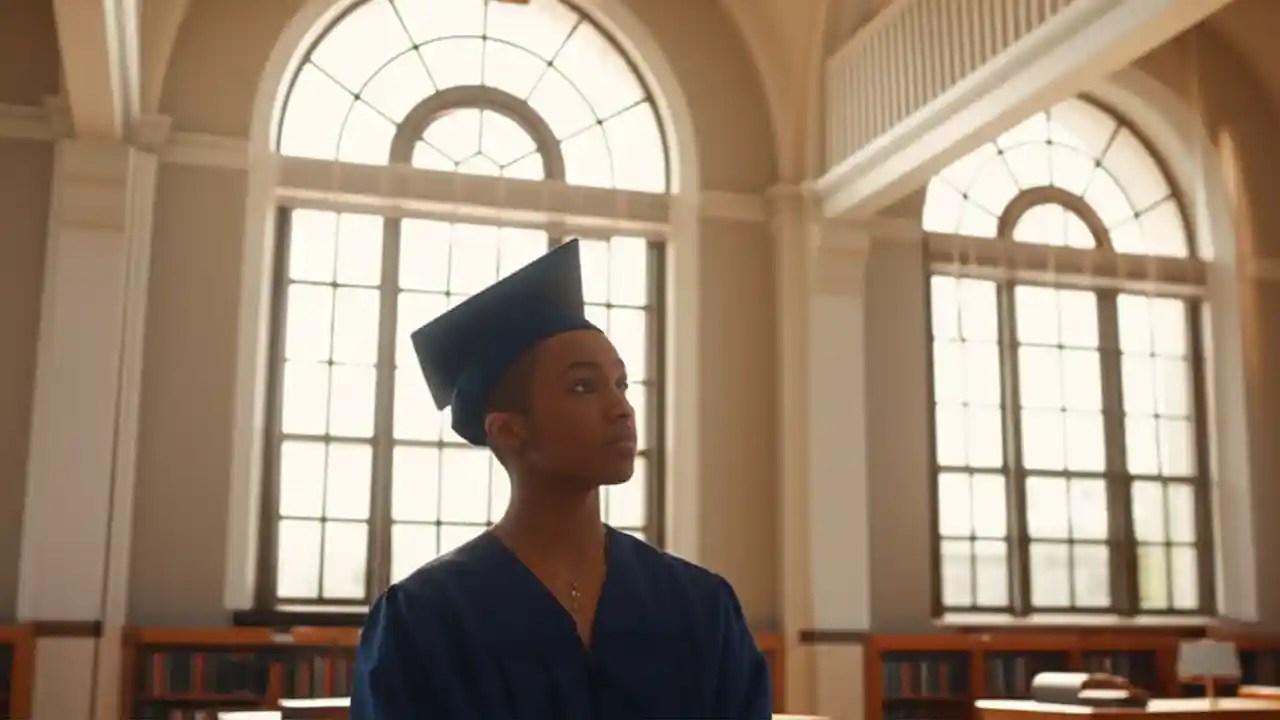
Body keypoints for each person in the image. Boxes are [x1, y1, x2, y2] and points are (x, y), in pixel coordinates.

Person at [350, 240, 771, 719]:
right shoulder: (426, 618)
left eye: (621, 384)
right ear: (508, 429)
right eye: (582, 386)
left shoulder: (699, 606)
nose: (622, 409)